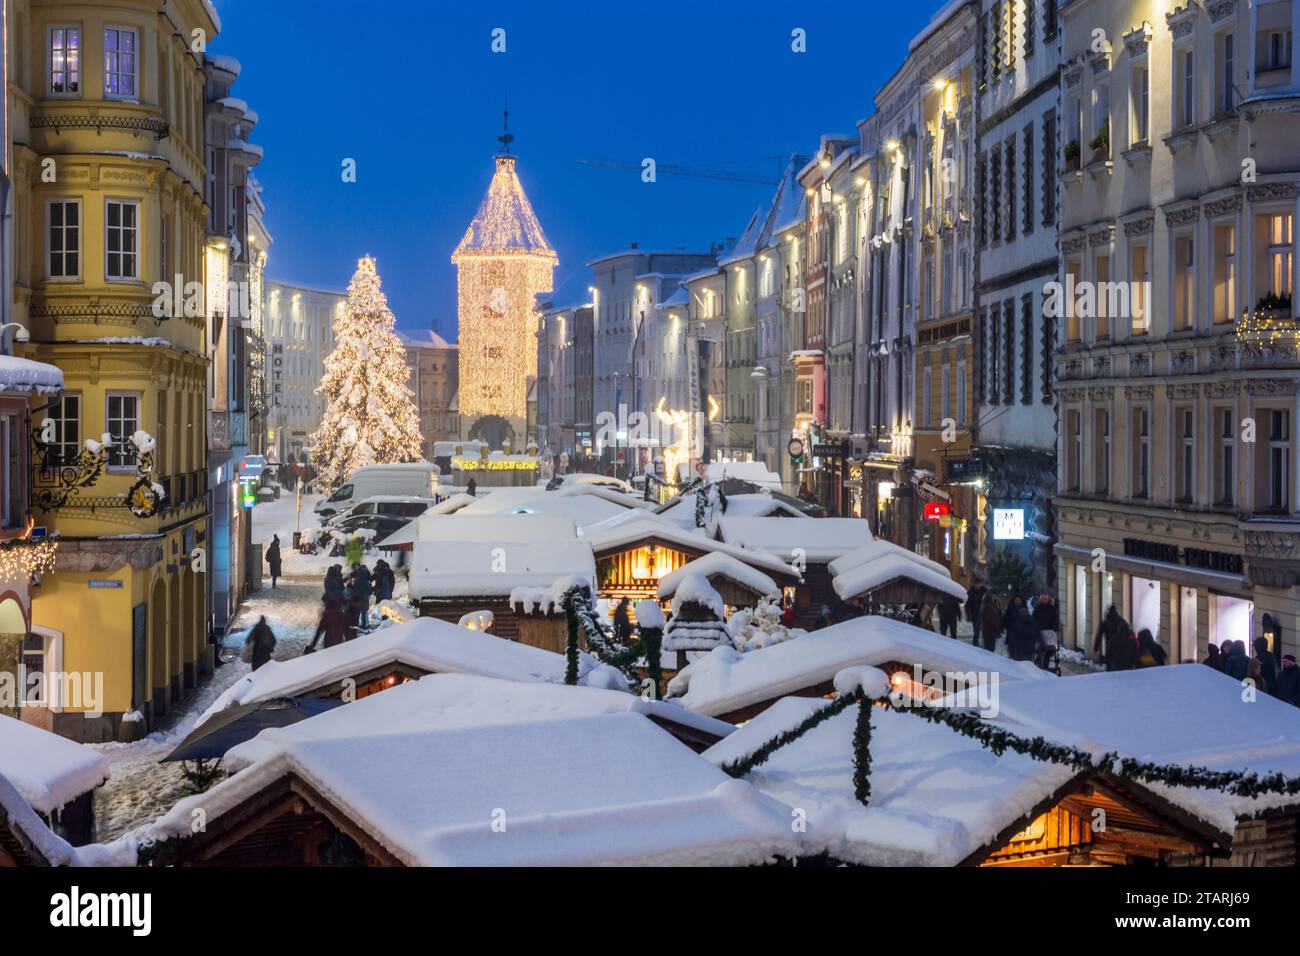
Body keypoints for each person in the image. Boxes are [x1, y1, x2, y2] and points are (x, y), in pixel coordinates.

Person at [1092, 605, 1136, 671]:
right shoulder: (1122, 621)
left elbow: (1099, 635)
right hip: (1123, 650)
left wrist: (1095, 648)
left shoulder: (1105, 622)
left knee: (1111, 668)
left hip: (1111, 648)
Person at [965, 577, 988, 648]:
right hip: (975, 615)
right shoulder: (970, 592)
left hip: (985, 615)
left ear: (981, 584)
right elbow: (967, 605)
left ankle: (986, 647)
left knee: (985, 632)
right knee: (976, 632)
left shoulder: (985, 592)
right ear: (974, 584)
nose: (978, 585)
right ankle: (975, 647)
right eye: (976, 584)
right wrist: (968, 615)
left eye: (979, 583)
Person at [351, 562, 372, 629]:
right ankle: (364, 625)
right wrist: (369, 593)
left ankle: (356, 624)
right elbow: (369, 588)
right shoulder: (365, 578)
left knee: (358, 611)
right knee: (364, 611)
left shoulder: (358, 578)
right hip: (364, 596)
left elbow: (355, 588)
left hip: (358, 596)